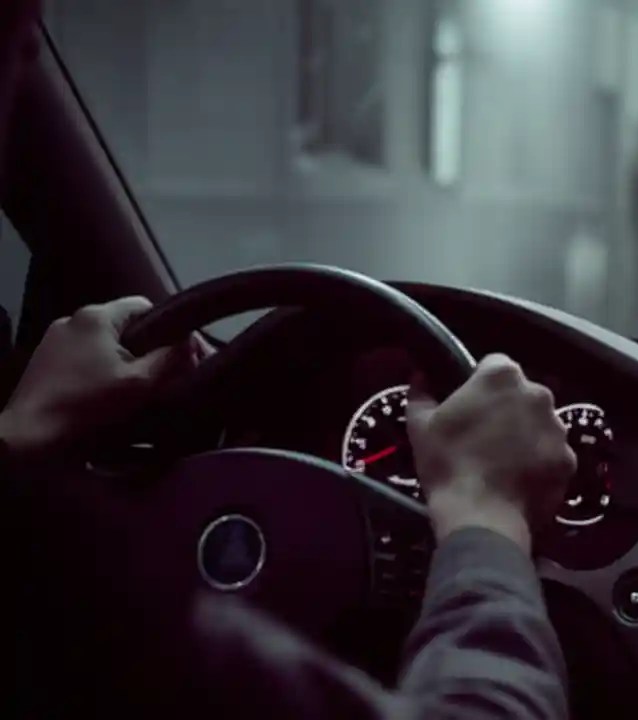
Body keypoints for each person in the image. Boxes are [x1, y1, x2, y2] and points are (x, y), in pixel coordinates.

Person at [0, 2, 577, 717]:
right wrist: (486, 515)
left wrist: (22, 430)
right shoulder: (59, 578)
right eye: (23, 39)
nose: (25, 71)